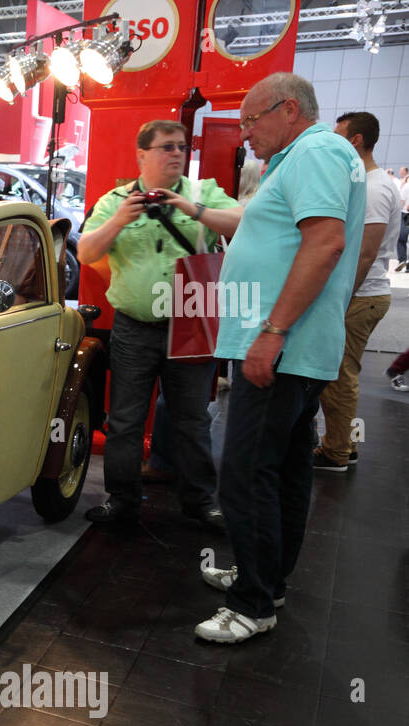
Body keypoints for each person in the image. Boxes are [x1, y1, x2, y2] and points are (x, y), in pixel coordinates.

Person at [197, 72, 365, 644]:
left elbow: (325, 243)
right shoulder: (299, 157)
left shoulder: (316, 149)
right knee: (284, 469)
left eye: (250, 120)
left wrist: (271, 331)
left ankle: (253, 604)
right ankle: (266, 579)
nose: (244, 133)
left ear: (288, 109)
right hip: (290, 346)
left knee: (244, 474)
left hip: (282, 346)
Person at [76, 119, 241, 530]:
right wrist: (118, 222)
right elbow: (84, 251)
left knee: (192, 418)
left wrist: (190, 209)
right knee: (126, 419)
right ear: (142, 154)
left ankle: (201, 501)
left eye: (182, 147)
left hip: (190, 318)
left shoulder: (203, 193)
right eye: (167, 146)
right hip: (134, 326)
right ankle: (122, 500)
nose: (177, 154)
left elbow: (242, 223)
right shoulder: (115, 200)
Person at [313, 112, 399, 472]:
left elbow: (366, 252)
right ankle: (340, 445)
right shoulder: (366, 180)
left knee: (340, 372)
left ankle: (337, 451)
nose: (335, 143)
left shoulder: (375, 186)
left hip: (362, 295)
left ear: (357, 140)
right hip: (361, 292)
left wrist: (343, 296)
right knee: (337, 371)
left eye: (340, 136)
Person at [396, 166, 409, 270]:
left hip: (405, 215)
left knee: (401, 239)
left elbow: (402, 202)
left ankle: (402, 260)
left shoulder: (406, 187)